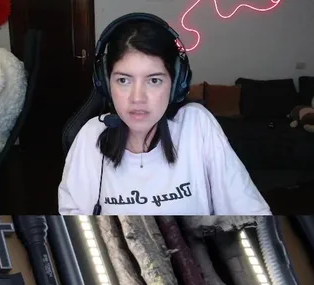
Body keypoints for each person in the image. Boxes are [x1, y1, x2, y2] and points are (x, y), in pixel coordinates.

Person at [58, 14, 270, 215]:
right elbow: (71, 219)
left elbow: (251, 213)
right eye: (123, 80)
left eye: (154, 80)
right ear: (105, 83)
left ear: (176, 84)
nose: (137, 98)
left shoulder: (197, 125)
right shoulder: (90, 136)